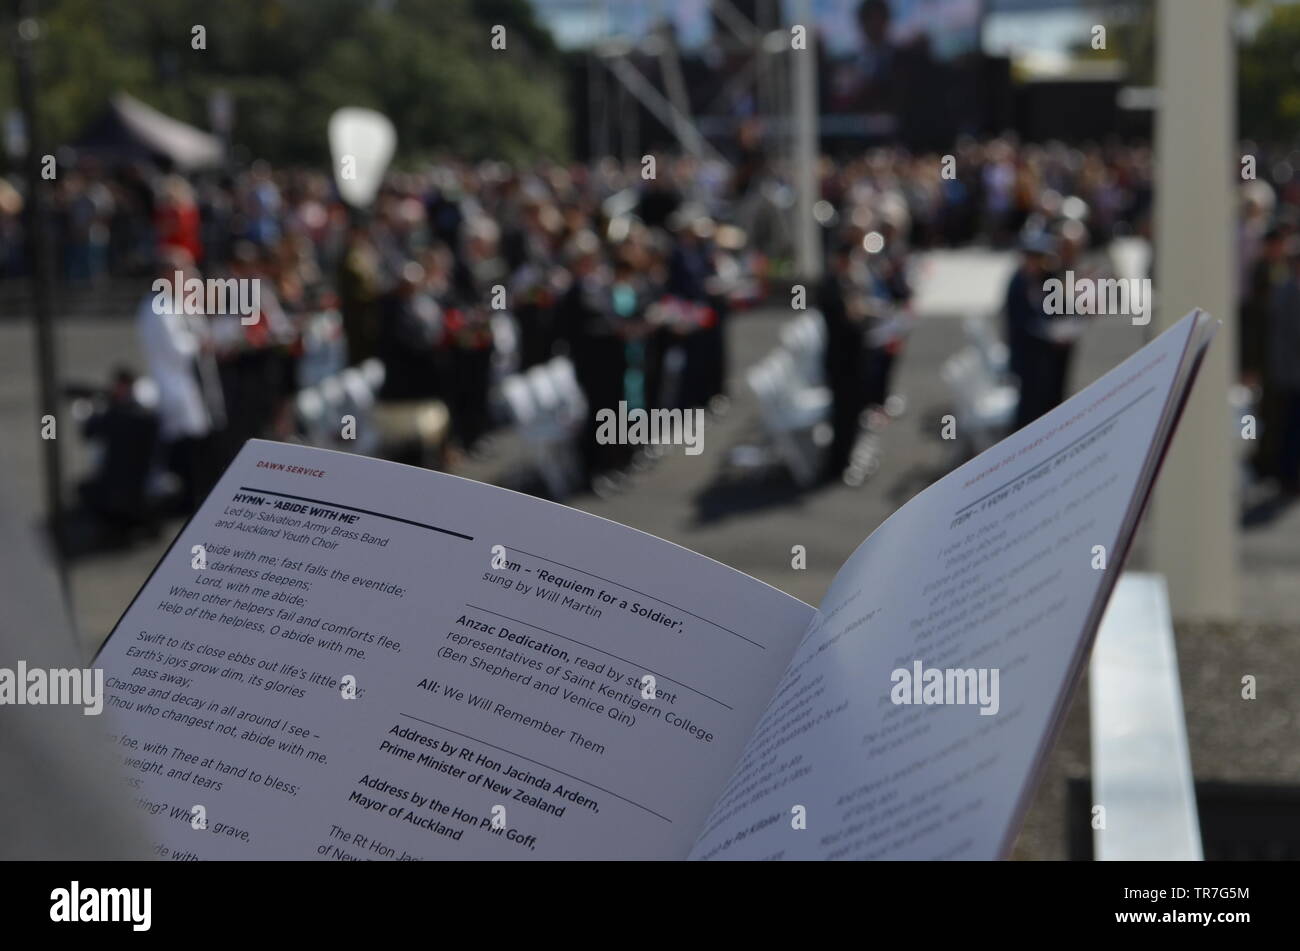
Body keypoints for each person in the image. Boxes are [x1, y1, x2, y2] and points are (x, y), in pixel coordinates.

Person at [136, 250, 224, 512]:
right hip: (176, 386)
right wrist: (200, 344)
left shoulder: (175, 303)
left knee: (197, 447)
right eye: (183, 272)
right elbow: (176, 349)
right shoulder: (158, 307)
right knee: (185, 451)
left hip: (191, 387)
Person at [1004, 232, 1065, 429]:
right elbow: (1024, 322)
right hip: (1027, 356)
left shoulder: (1044, 278)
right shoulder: (1018, 283)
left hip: (1042, 357)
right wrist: (1049, 333)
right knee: (1028, 408)